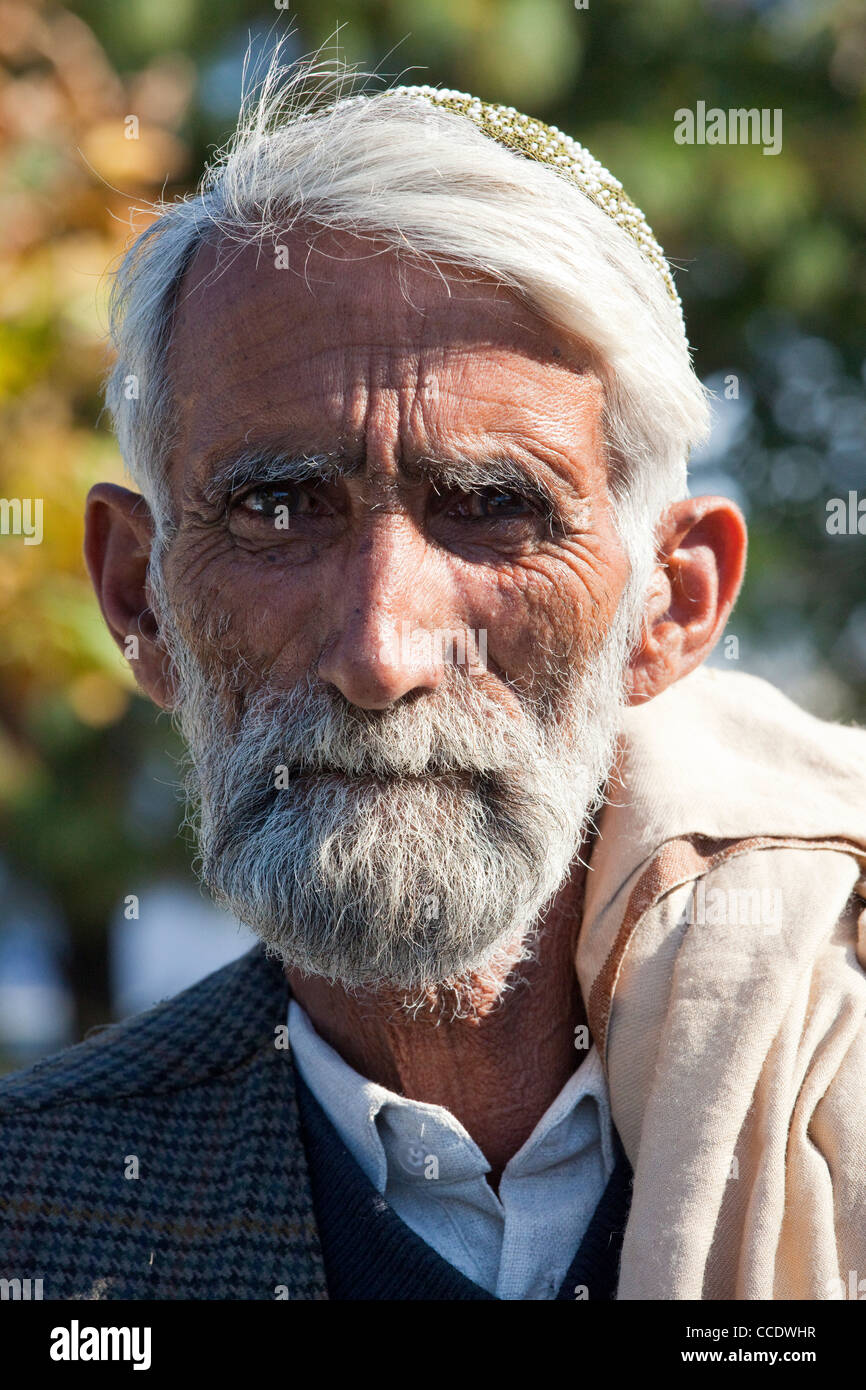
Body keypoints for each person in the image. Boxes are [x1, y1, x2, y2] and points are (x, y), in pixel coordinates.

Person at [1, 60, 864, 1302]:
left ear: (669, 606)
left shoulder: (822, 1110)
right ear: (138, 600)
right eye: (276, 506)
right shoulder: (37, 1210)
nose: (377, 654)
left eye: (493, 510)